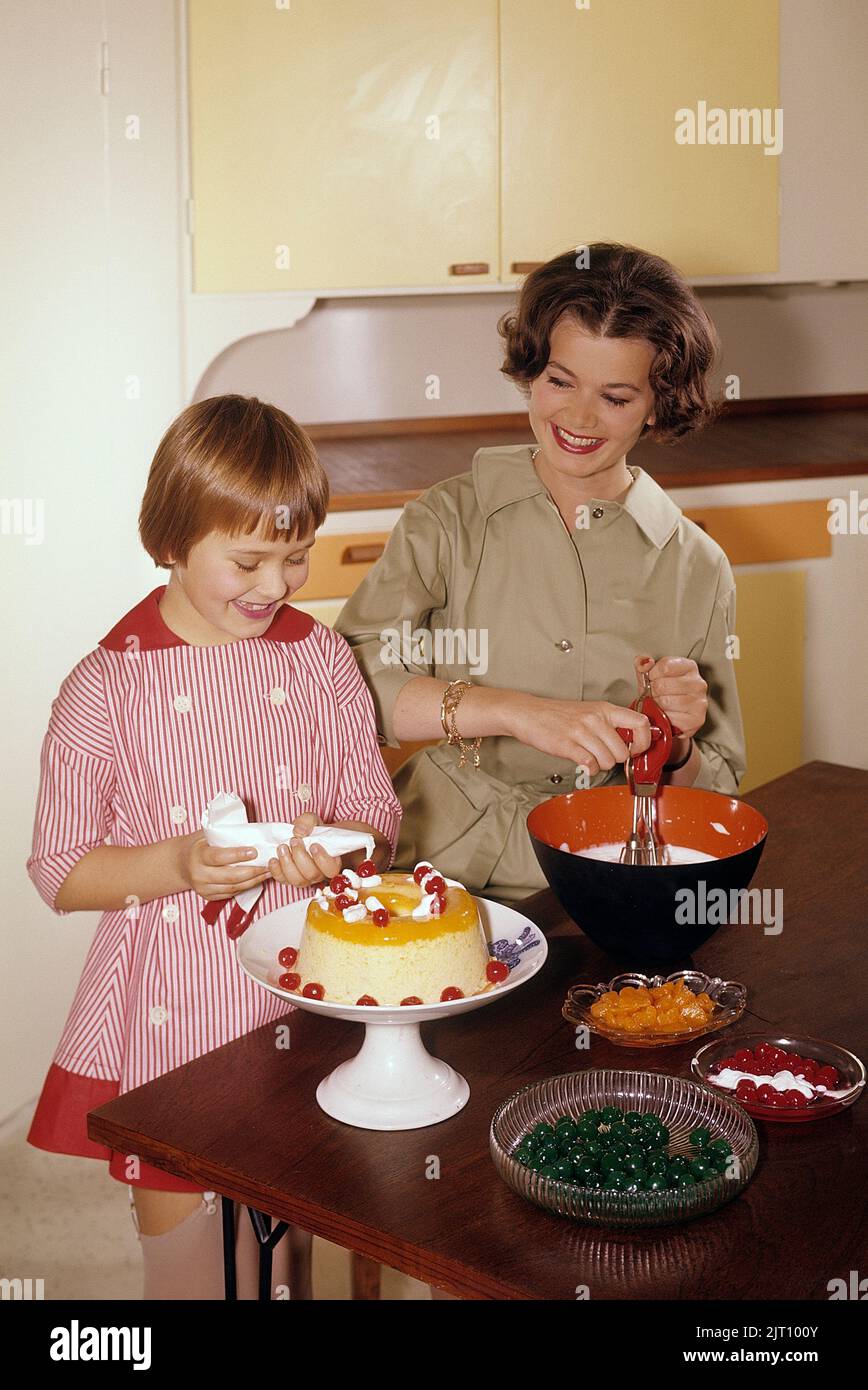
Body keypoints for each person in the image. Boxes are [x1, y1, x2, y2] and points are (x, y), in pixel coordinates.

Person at [26, 395, 402, 1298]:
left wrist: (345, 853)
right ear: (170, 540)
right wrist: (178, 865)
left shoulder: (320, 659)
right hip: (174, 1017)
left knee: (288, 1250)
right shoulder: (105, 686)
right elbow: (61, 871)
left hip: (309, 992)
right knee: (199, 1264)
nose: (276, 586)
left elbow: (374, 815)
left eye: (295, 556)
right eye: (247, 560)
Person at [335, 243, 746, 902]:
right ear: (531, 371)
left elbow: (719, 788)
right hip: (436, 866)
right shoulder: (446, 520)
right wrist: (515, 712)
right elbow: (345, 692)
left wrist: (673, 743)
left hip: (606, 877)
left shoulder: (697, 566)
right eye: (560, 381)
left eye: (615, 397)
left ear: (657, 404)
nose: (579, 418)